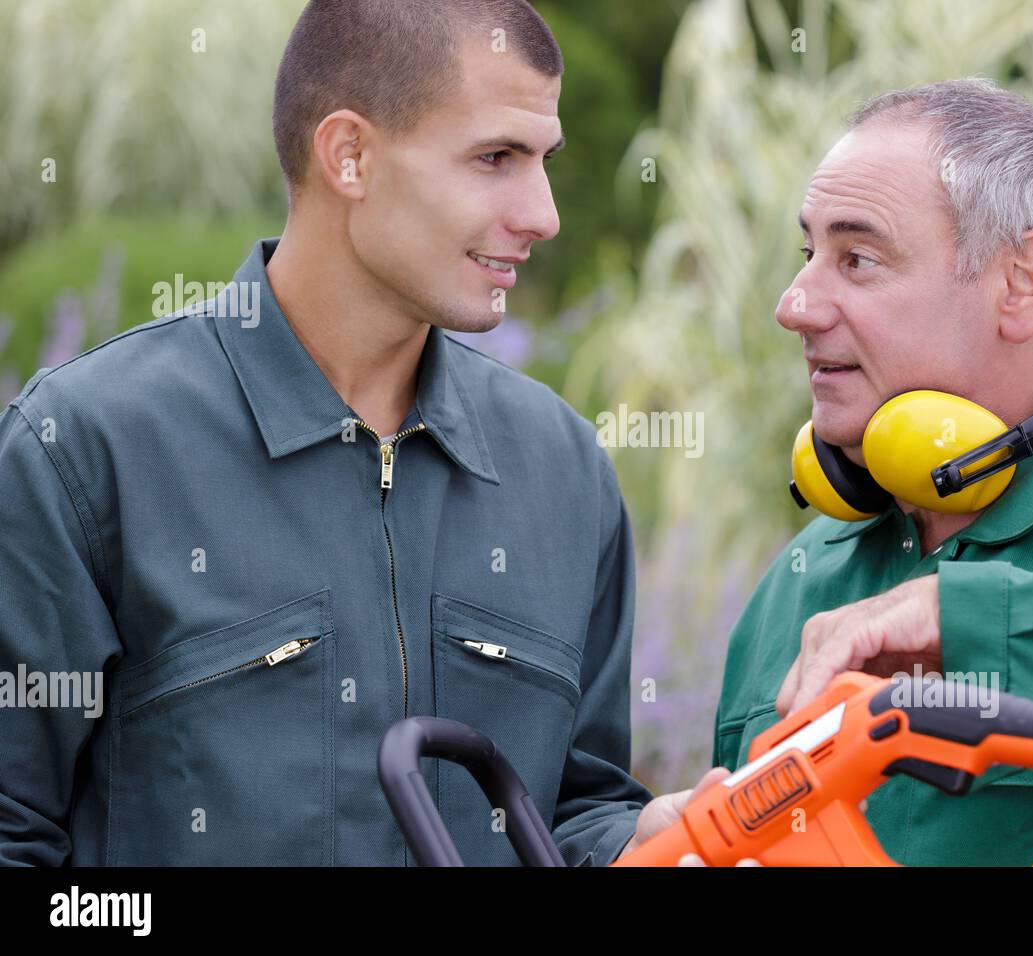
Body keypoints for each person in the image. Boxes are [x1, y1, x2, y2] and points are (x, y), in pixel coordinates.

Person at [0, 0, 651, 867]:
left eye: (543, 162)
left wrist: (672, 837)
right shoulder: (81, 449)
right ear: (349, 154)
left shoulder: (566, 470)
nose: (543, 213)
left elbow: (580, 813)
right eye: (496, 157)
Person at [630, 78, 1033, 865]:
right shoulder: (797, 581)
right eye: (809, 254)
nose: (796, 304)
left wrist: (972, 622)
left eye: (858, 257)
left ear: (1023, 283)